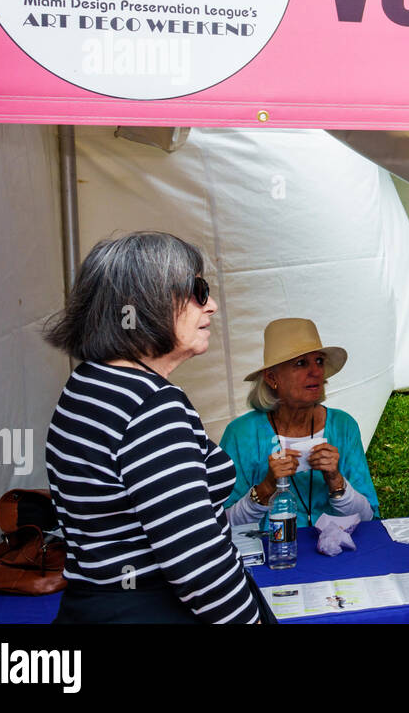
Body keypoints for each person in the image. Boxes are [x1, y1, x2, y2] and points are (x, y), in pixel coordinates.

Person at [43, 232, 262, 623]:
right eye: (197, 290)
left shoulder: (88, 383)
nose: (210, 305)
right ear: (146, 303)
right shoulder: (149, 407)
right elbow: (198, 568)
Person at [221, 318, 379, 527]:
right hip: (273, 555)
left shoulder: (343, 426)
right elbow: (222, 524)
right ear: (271, 377)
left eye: (319, 361)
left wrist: (336, 481)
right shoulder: (241, 434)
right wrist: (267, 487)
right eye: (301, 363)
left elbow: (369, 518)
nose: (316, 371)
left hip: (338, 552)